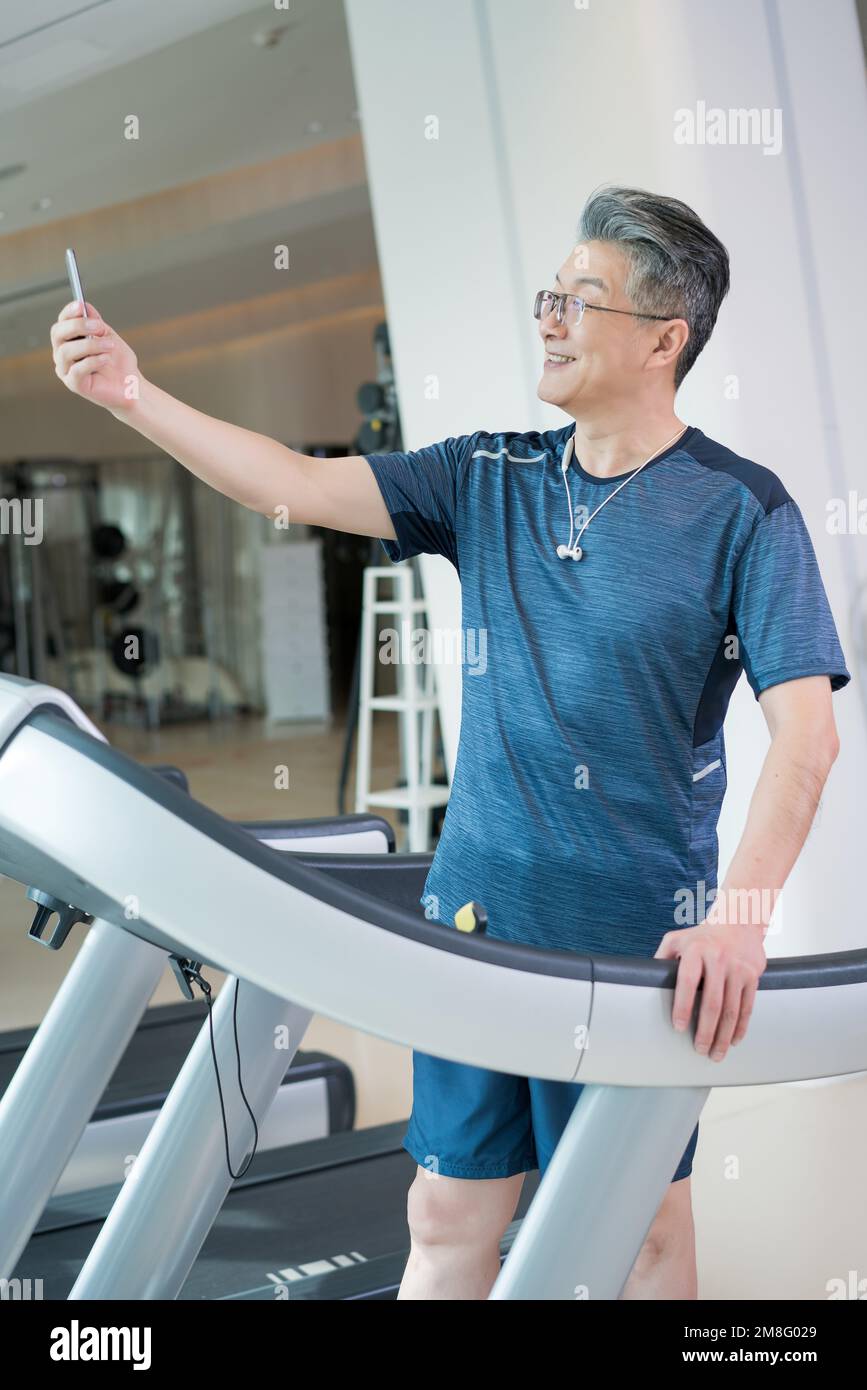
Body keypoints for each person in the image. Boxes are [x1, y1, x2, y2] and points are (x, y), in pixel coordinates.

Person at [50, 185, 849, 1301]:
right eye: (550, 295)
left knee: (643, 1232)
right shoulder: (491, 477)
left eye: (583, 300)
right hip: (473, 926)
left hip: (635, 953)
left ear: (664, 340)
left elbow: (807, 738)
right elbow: (295, 483)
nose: (551, 318)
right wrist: (134, 397)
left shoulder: (741, 510)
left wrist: (743, 922)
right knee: (448, 1209)